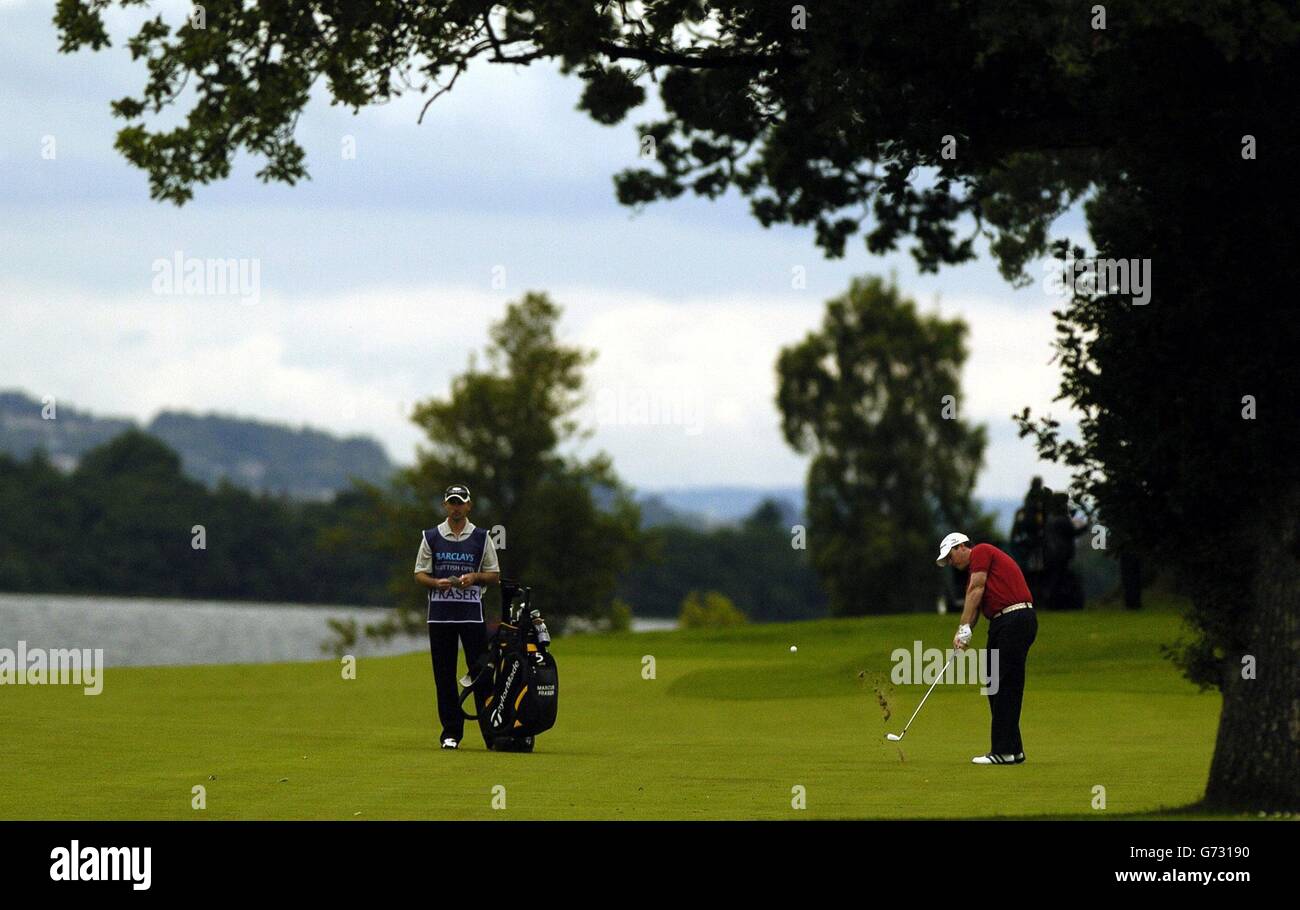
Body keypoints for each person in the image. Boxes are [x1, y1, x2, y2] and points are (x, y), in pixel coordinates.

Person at [936, 531, 1038, 765]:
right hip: (1003, 623)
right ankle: (1013, 749)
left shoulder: (980, 551)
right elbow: (975, 606)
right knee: (996, 684)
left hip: (1015, 618)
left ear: (961, 546)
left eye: (950, 556)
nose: (951, 562)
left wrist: (963, 627)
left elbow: (976, 590)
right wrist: (964, 634)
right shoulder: (974, 573)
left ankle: (1002, 751)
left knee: (1003, 684)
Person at [414, 484, 501, 750]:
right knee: (444, 675)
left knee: (481, 674)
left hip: (472, 615)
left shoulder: (481, 537)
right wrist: (434, 583)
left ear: (468, 506)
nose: (455, 507)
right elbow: (419, 573)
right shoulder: (431, 536)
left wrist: (474, 577)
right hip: (440, 616)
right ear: (445, 505)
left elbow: (494, 574)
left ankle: (491, 732)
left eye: (460, 502)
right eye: (451, 502)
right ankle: (451, 733)